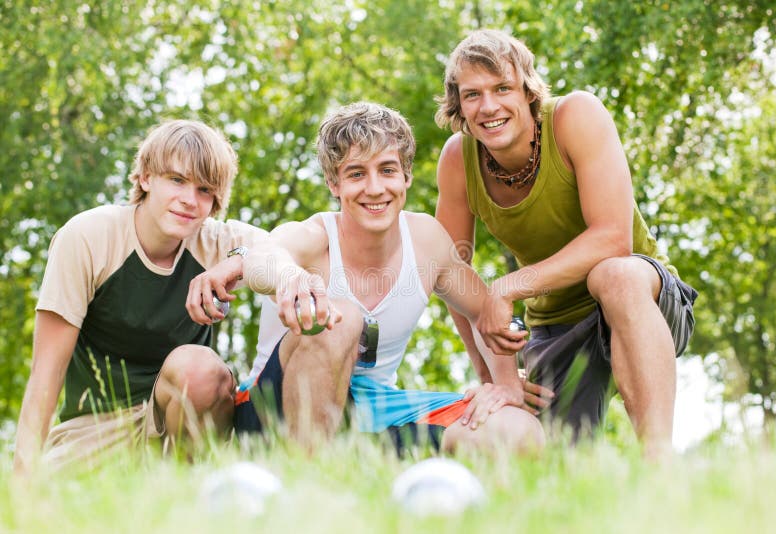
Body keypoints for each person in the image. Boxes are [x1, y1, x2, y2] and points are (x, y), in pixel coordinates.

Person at [187, 102, 545, 454]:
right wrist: (290, 277)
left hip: (373, 413)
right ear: (334, 183)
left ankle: (364, 467)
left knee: (518, 432)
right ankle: (306, 484)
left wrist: (504, 384)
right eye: (357, 174)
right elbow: (264, 255)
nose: (374, 188)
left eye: (387, 170)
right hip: (273, 408)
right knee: (342, 320)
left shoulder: (426, 241)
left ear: (406, 176)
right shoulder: (316, 237)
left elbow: (487, 310)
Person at [434, 29, 698, 457]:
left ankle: (659, 465)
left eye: (503, 87)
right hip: (556, 325)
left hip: (644, 295)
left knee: (613, 275)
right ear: (458, 105)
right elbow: (449, 274)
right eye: (472, 94)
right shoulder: (457, 161)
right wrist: (493, 377)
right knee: (559, 461)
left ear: (528, 91)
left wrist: (507, 287)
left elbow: (614, 239)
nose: (489, 106)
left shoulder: (576, 116)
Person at [13, 119, 269, 474]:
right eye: (177, 180)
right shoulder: (88, 237)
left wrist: (235, 264)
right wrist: (20, 485)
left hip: (176, 424)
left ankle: (184, 492)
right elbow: (46, 373)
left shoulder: (217, 243)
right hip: (93, 430)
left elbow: (285, 250)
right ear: (146, 177)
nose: (189, 200)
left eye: (205, 190)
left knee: (200, 368)